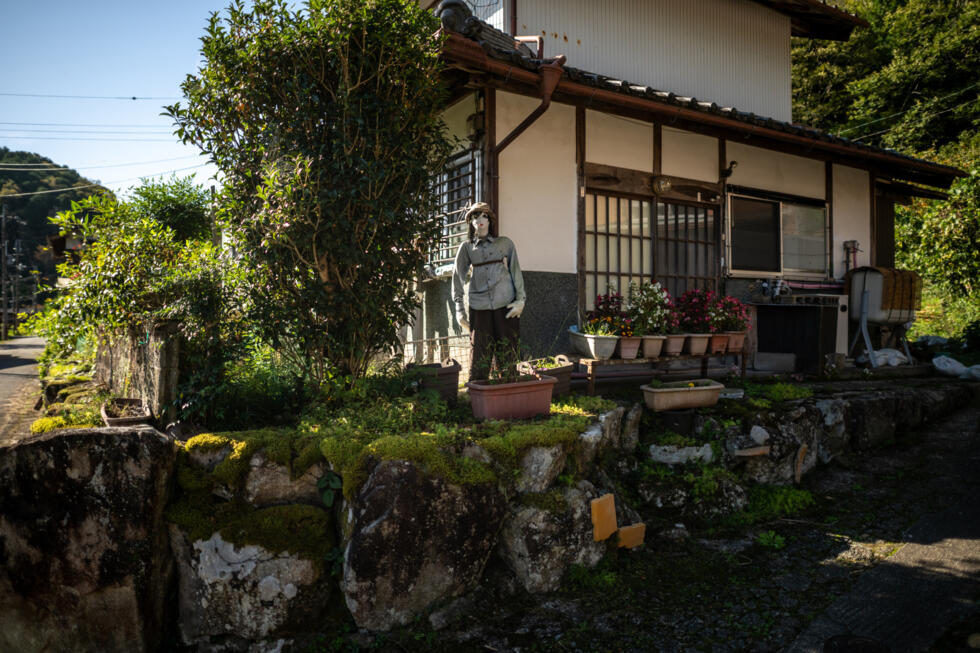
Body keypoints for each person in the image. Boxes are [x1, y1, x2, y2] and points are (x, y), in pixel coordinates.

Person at [452, 202, 525, 381]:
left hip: (505, 303)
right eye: (475, 216)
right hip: (479, 305)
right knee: (480, 350)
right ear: (470, 222)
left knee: (507, 348)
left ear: (490, 220)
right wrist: (459, 309)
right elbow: (457, 278)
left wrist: (521, 300)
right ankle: (478, 388)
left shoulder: (505, 243)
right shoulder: (466, 248)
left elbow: (516, 271)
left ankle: (508, 385)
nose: (480, 220)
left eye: (484, 216)